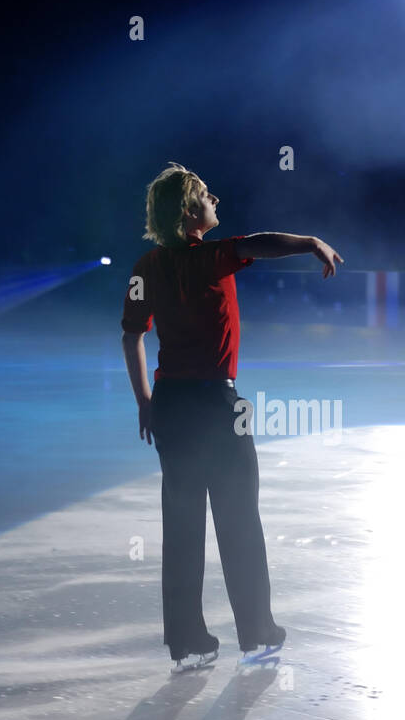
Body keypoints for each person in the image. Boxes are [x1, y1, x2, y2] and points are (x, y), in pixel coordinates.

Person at [121, 162, 343, 670]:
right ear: (187, 212)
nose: (214, 198)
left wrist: (145, 401)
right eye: (204, 194)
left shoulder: (145, 267)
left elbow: (132, 333)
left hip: (172, 405)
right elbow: (260, 243)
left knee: (181, 525)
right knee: (240, 517)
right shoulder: (213, 256)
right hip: (219, 405)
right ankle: (257, 632)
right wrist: (311, 241)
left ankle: (186, 641)